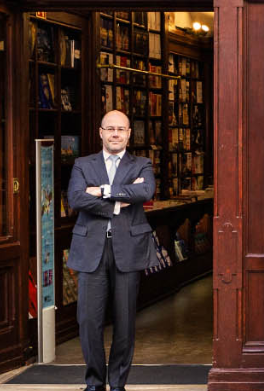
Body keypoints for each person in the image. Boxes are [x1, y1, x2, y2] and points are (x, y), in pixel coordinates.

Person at [66, 110, 155, 391]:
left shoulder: (142, 164)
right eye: (110, 129)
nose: (115, 134)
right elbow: (76, 198)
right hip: (90, 250)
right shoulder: (82, 164)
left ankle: (117, 384)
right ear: (100, 132)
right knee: (88, 321)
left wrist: (102, 191)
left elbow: (145, 192)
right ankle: (94, 383)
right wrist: (119, 198)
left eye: (121, 129)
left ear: (129, 134)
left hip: (127, 250)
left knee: (125, 320)